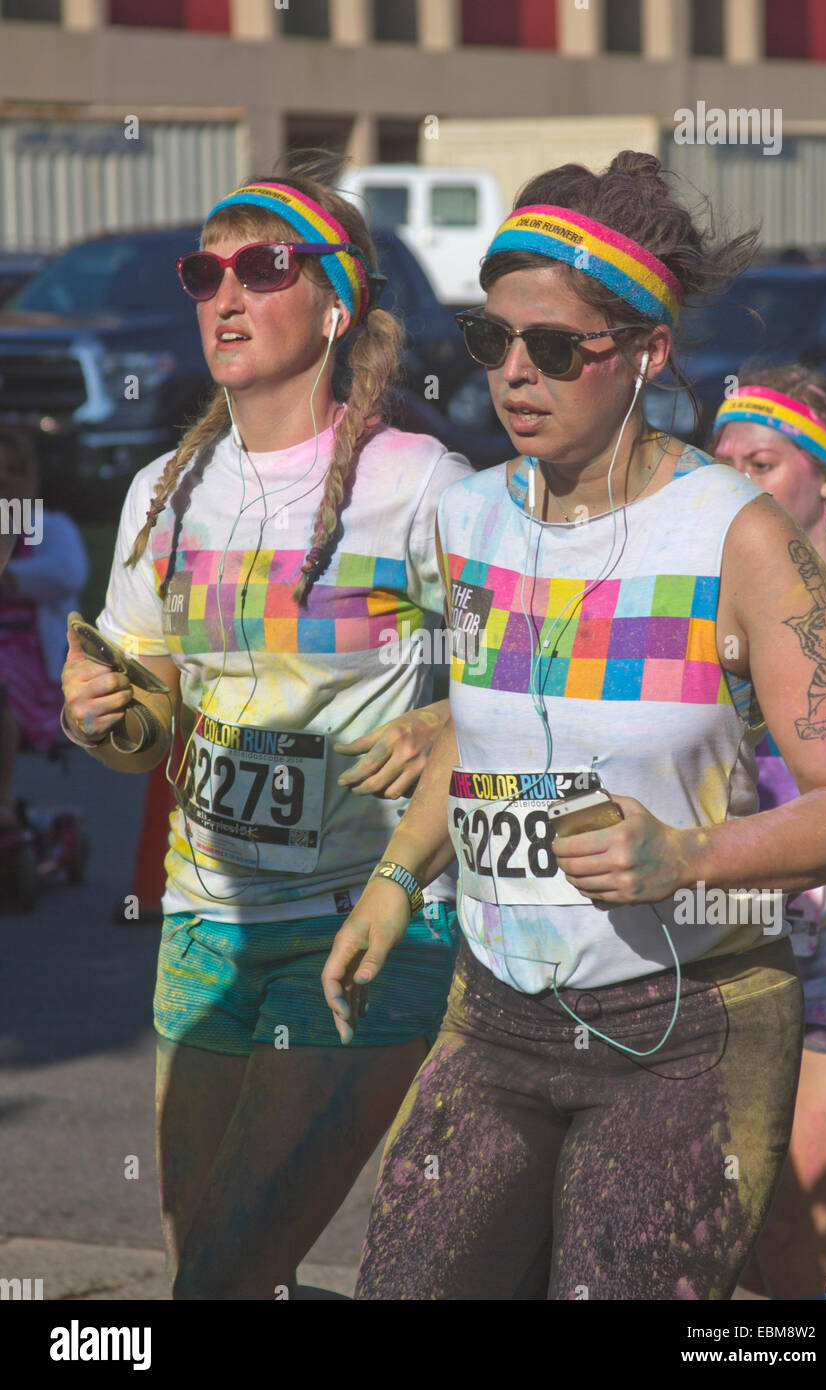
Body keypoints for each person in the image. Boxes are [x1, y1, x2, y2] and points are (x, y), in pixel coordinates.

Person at [322, 152, 826, 1301]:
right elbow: (485, 734)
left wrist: (686, 856)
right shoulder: (469, 519)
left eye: (557, 348)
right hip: (496, 1010)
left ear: (647, 354)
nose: (514, 376)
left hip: (688, 1028)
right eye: (491, 341)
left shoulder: (735, 534)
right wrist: (392, 876)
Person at [60, 160, 471, 1299]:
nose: (225, 296)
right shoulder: (162, 491)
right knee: (215, 1265)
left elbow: (529, 673)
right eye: (206, 273)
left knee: (228, 1272)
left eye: (263, 266)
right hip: (204, 925)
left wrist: (446, 711)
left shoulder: (422, 484)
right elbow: (145, 731)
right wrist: (106, 714)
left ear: (335, 303)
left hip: (363, 925)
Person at [714, 367, 826, 1299]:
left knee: (781, 1210)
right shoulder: (701, 594)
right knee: (734, 1235)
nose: (734, 480)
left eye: (762, 463)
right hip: (733, 950)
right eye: (721, 461)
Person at [0, 428, 87, 825]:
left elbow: (67, 572)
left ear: (33, 482)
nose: (4, 482)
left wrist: (9, 576)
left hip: (35, 669)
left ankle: (3, 806)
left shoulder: (49, 529)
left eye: (15, 472)